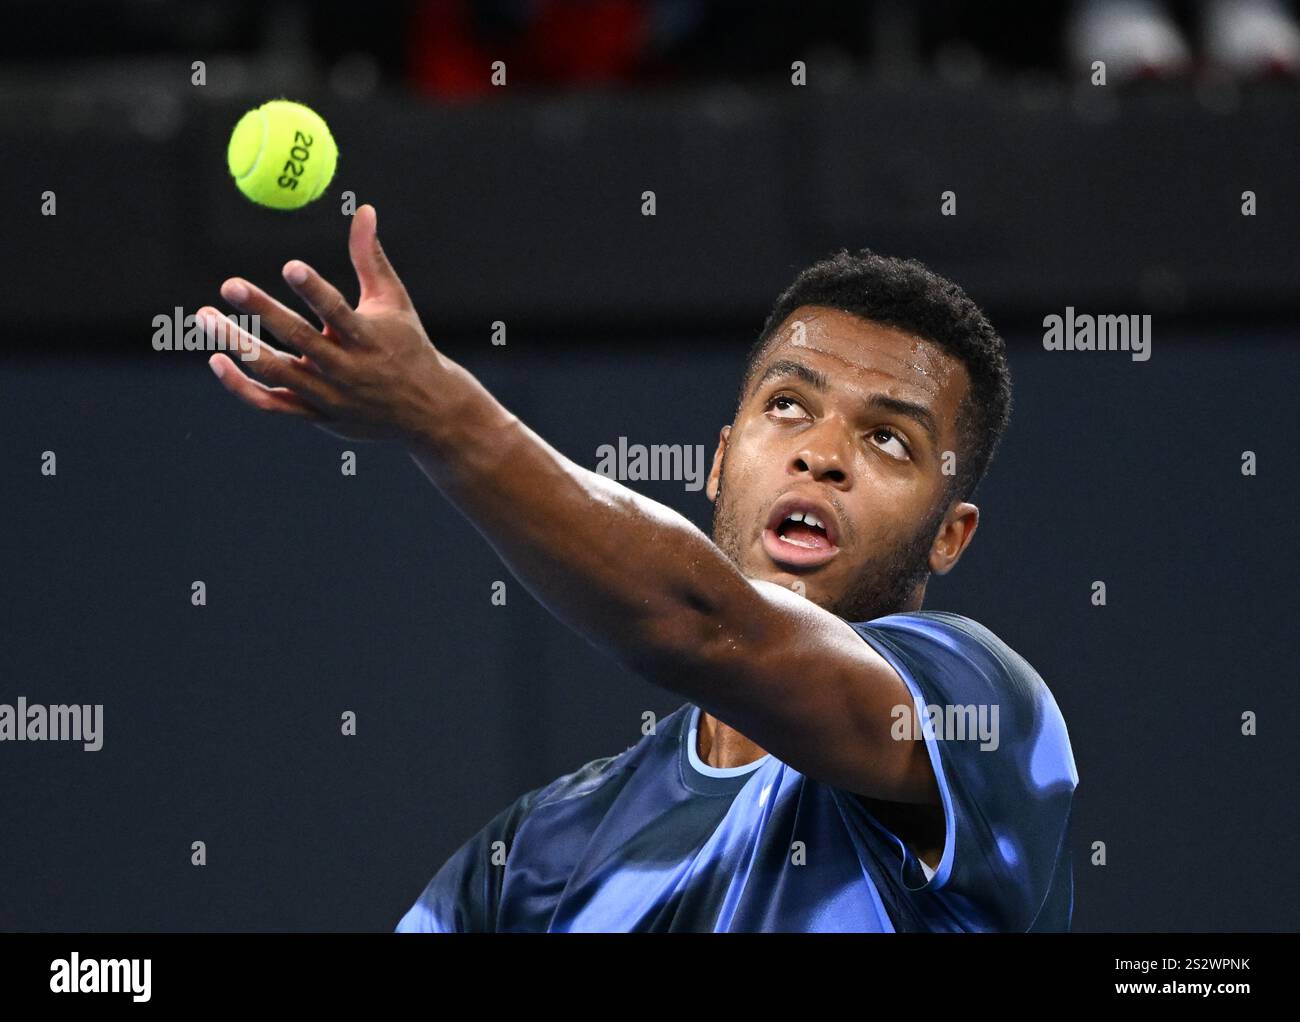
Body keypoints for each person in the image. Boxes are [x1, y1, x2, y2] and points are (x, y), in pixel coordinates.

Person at [199, 205, 1078, 932]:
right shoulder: (542, 854)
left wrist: (443, 415)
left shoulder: (982, 716)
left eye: (888, 438)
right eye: (788, 406)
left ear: (949, 535)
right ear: (721, 461)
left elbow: (711, 630)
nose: (822, 454)